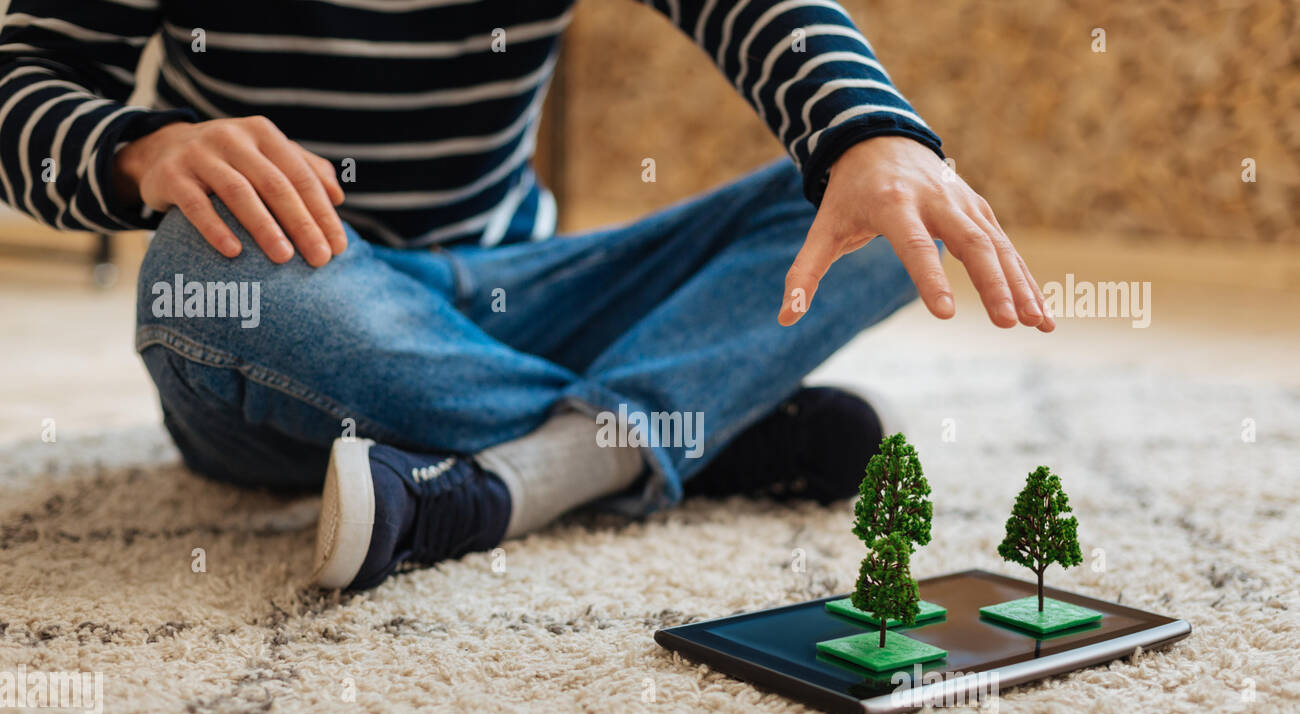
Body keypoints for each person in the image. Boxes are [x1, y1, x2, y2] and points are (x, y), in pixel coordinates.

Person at [0, 0, 1052, 590]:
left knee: (886, 197)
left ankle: (524, 474)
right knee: (193, 272)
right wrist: (142, 149)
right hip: (302, 319)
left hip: (518, 290)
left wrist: (870, 136)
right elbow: (22, 73)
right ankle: (683, 428)